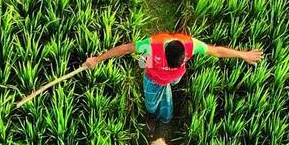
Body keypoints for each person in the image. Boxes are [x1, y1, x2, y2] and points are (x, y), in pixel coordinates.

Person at [84, 32, 263, 123]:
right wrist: (97, 59)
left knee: (170, 82)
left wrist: (243, 54)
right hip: (153, 77)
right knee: (151, 102)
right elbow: (126, 48)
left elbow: (216, 51)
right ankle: (153, 116)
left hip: (173, 78)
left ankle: (164, 110)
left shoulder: (191, 45)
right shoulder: (152, 46)